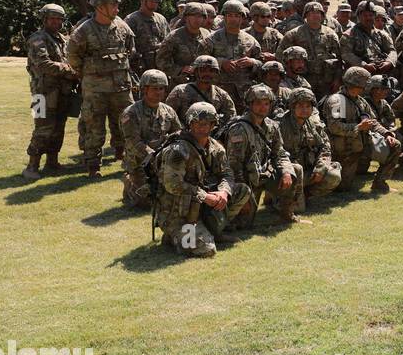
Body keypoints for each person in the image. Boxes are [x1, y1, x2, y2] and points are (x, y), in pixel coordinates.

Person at [155, 102, 247, 257]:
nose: (202, 127)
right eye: (198, 123)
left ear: (213, 125)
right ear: (190, 123)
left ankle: (213, 231)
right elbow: (172, 185)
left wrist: (223, 192)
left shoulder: (216, 148)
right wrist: (205, 197)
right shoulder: (178, 151)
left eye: (207, 124)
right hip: (179, 213)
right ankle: (173, 236)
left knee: (242, 190)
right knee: (207, 250)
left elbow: (227, 174)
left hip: (203, 208)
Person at [66, 0, 137, 177]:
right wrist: (86, 73)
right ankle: (93, 165)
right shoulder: (83, 30)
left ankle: (124, 156)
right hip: (95, 89)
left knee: (126, 122)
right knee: (93, 126)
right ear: (100, 7)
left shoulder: (122, 27)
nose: (117, 9)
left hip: (121, 87)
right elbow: (72, 56)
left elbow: (131, 49)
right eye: (113, 6)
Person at [224, 84, 301, 225]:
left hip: (265, 174)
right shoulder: (239, 129)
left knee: (295, 170)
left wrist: (286, 172)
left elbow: (280, 153)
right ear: (250, 104)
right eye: (258, 103)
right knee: (244, 225)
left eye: (266, 103)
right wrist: (244, 195)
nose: (263, 107)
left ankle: (287, 214)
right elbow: (234, 166)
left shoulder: (272, 126)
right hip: (247, 180)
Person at [319, 66, 401, 193]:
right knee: (343, 188)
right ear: (356, 83)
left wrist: (386, 133)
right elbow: (334, 127)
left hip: (363, 145)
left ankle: (380, 183)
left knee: (395, 145)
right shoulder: (336, 101)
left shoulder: (361, 101)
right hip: (345, 151)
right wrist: (358, 127)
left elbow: (373, 122)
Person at [23, 3, 78, 179]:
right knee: (42, 129)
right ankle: (32, 166)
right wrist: (71, 71)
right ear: (44, 19)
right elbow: (44, 64)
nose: (56, 22)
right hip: (42, 93)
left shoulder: (62, 39)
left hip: (62, 92)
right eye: (52, 18)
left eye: (59, 19)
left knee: (58, 128)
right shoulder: (37, 39)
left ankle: (52, 162)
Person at [119, 69, 181, 208]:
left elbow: (178, 133)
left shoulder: (168, 111)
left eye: (161, 88)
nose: (159, 92)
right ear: (144, 89)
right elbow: (133, 141)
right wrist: (152, 156)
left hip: (165, 161)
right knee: (144, 203)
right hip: (139, 162)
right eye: (154, 89)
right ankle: (130, 181)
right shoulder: (131, 113)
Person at [277, 87, 342, 211]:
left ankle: (305, 194)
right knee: (298, 210)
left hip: (308, 171)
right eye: (300, 106)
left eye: (308, 106)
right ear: (292, 107)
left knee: (333, 175)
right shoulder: (280, 125)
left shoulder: (314, 125)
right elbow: (276, 153)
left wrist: (320, 168)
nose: (305, 110)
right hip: (289, 174)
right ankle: (278, 197)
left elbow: (325, 147)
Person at [167, 55, 237, 123]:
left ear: (216, 73)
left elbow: (231, 119)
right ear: (195, 72)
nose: (207, 74)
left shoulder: (222, 95)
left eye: (211, 71)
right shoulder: (180, 91)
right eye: (203, 70)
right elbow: (169, 116)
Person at [156, 2, 210, 86]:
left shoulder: (207, 34)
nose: (197, 19)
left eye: (200, 16)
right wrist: (180, 70)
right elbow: (161, 61)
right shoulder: (174, 36)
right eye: (193, 15)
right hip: (181, 84)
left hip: (204, 82)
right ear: (186, 17)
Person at [125, 0, 169, 75]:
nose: (156, 4)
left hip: (159, 66)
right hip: (140, 67)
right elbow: (126, 46)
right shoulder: (131, 20)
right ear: (143, 1)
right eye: (153, 1)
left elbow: (168, 40)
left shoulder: (161, 19)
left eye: (157, 1)